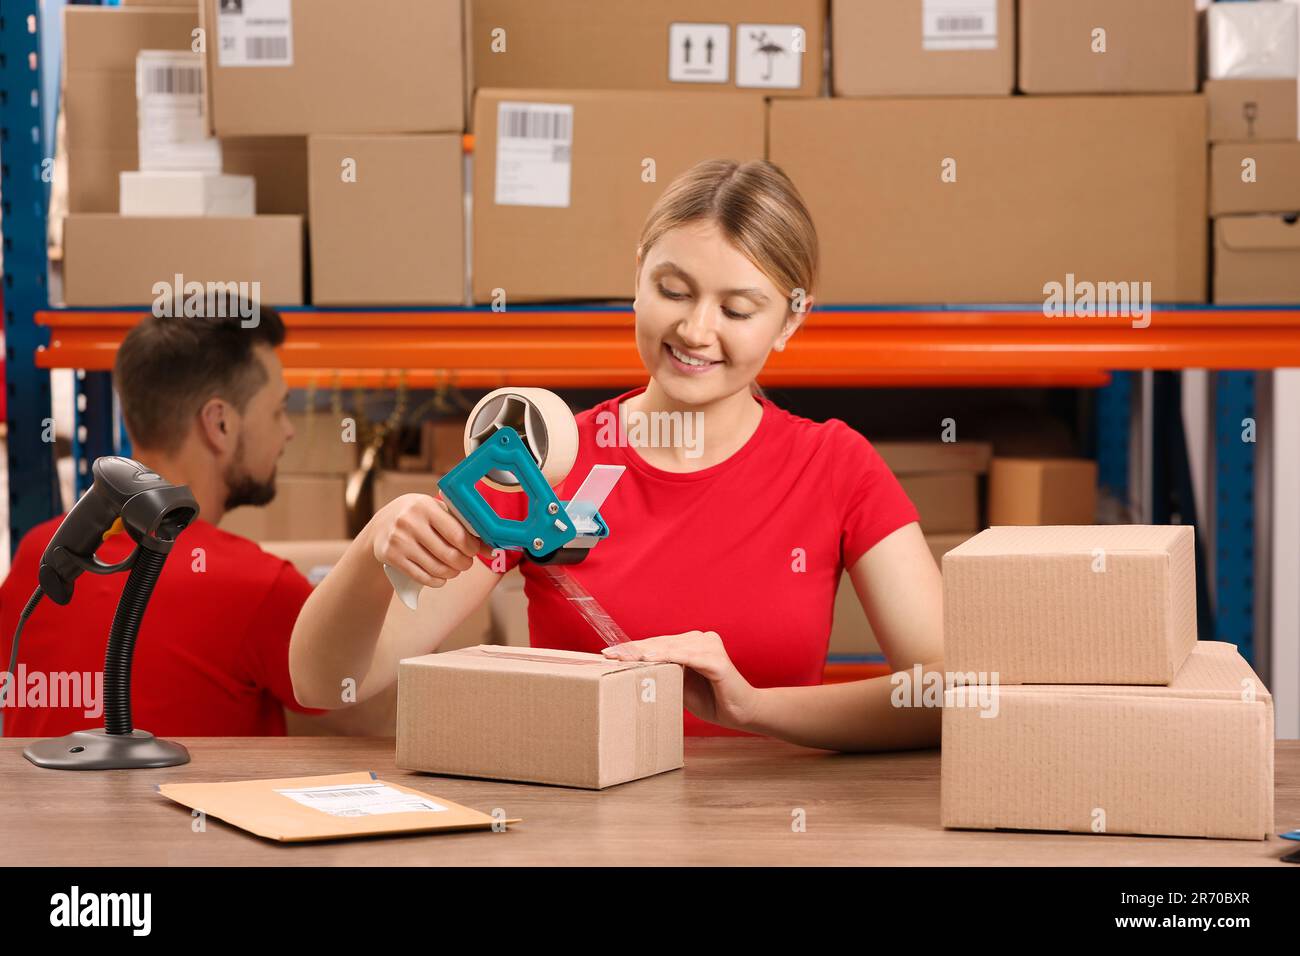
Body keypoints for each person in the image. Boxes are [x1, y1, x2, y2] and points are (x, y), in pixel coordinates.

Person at [290, 159, 946, 752]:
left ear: (791, 321)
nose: (695, 331)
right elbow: (326, 685)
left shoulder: (835, 467)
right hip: (582, 825)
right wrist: (379, 547)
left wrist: (752, 709)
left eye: (738, 309)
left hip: (766, 832)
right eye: (674, 289)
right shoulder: (543, 456)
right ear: (638, 278)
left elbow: (946, 694)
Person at [0, 306, 328, 736]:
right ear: (220, 423)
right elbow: (355, 689)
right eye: (278, 410)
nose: (287, 431)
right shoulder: (259, 586)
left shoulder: (41, 554)